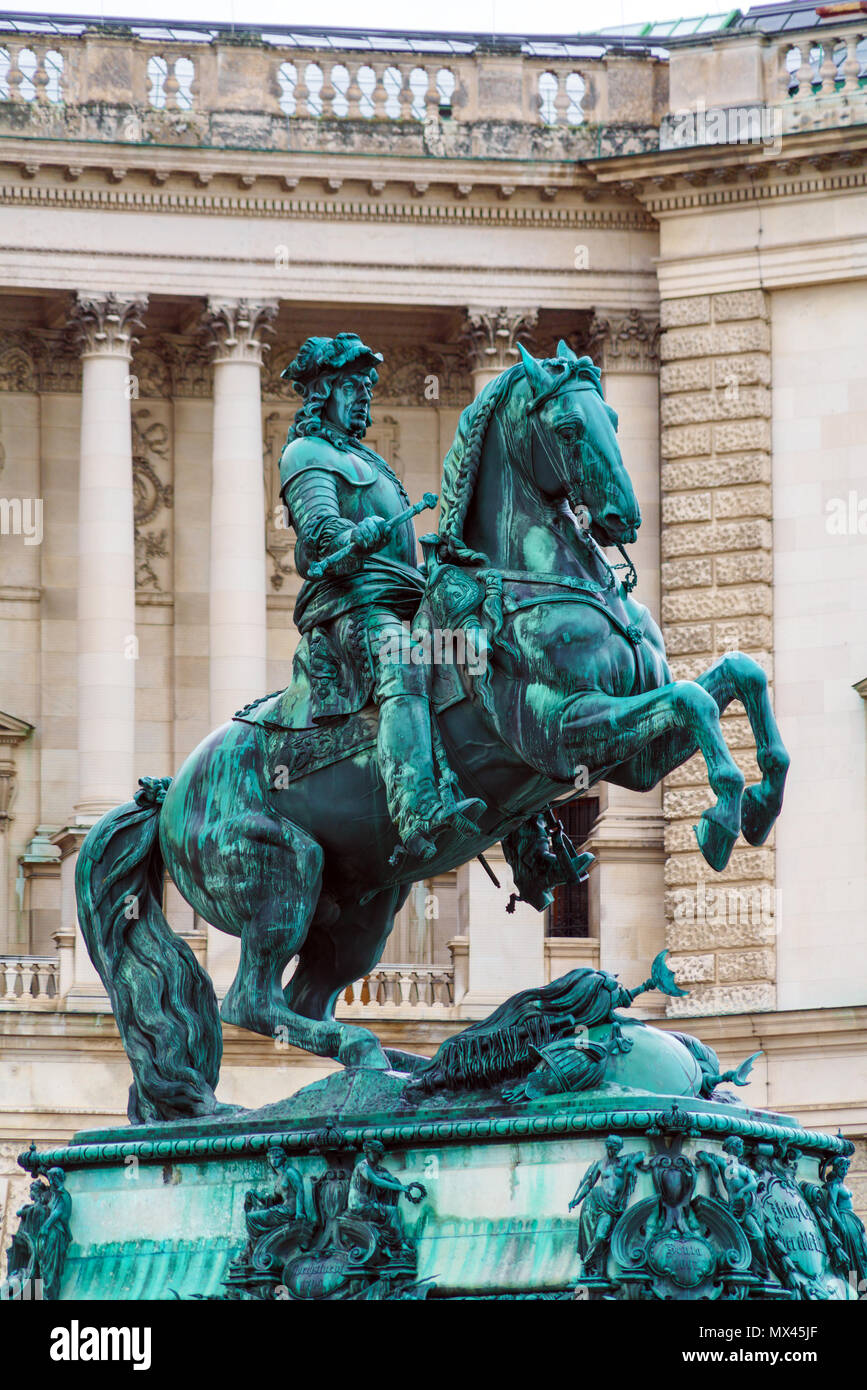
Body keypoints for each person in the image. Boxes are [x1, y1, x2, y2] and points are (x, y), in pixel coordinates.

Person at [279, 333, 484, 861]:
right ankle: (417, 810)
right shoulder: (306, 453)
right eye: (352, 385)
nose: (364, 395)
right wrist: (353, 538)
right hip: (351, 607)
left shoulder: (366, 457)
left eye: (367, 386)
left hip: (405, 598)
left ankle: (533, 841)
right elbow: (317, 536)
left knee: (489, 653)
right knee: (406, 659)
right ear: (323, 390)